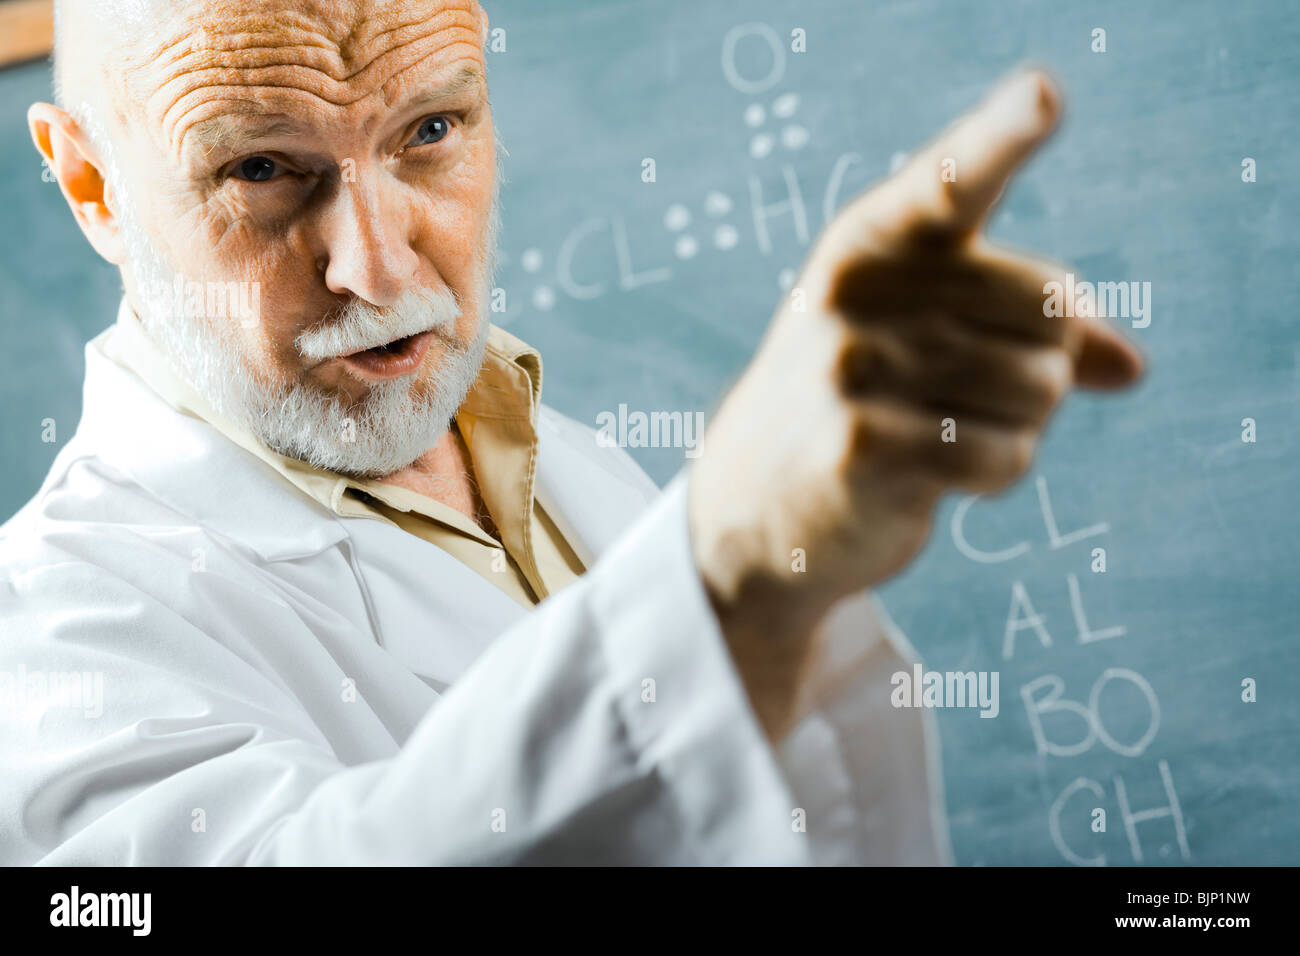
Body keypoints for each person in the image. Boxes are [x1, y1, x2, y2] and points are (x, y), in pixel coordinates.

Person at [0, 0, 1143, 864]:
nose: (381, 263)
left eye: (432, 127)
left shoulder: (560, 454)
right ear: (91, 184)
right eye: (260, 167)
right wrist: (729, 563)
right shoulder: (51, 635)